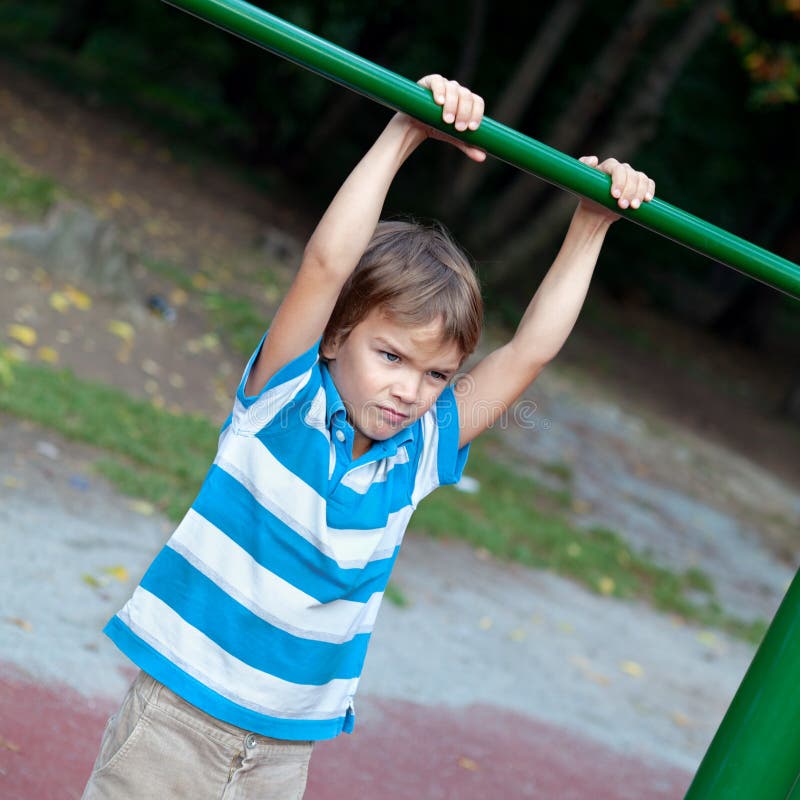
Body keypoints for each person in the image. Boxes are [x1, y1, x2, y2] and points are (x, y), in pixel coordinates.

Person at [82, 74, 655, 799]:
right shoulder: (281, 403)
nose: (411, 390)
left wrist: (590, 225)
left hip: (284, 753)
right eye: (391, 356)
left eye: (436, 374)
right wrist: (404, 132)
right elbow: (326, 266)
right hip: (176, 724)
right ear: (336, 338)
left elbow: (528, 353)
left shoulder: (414, 455)